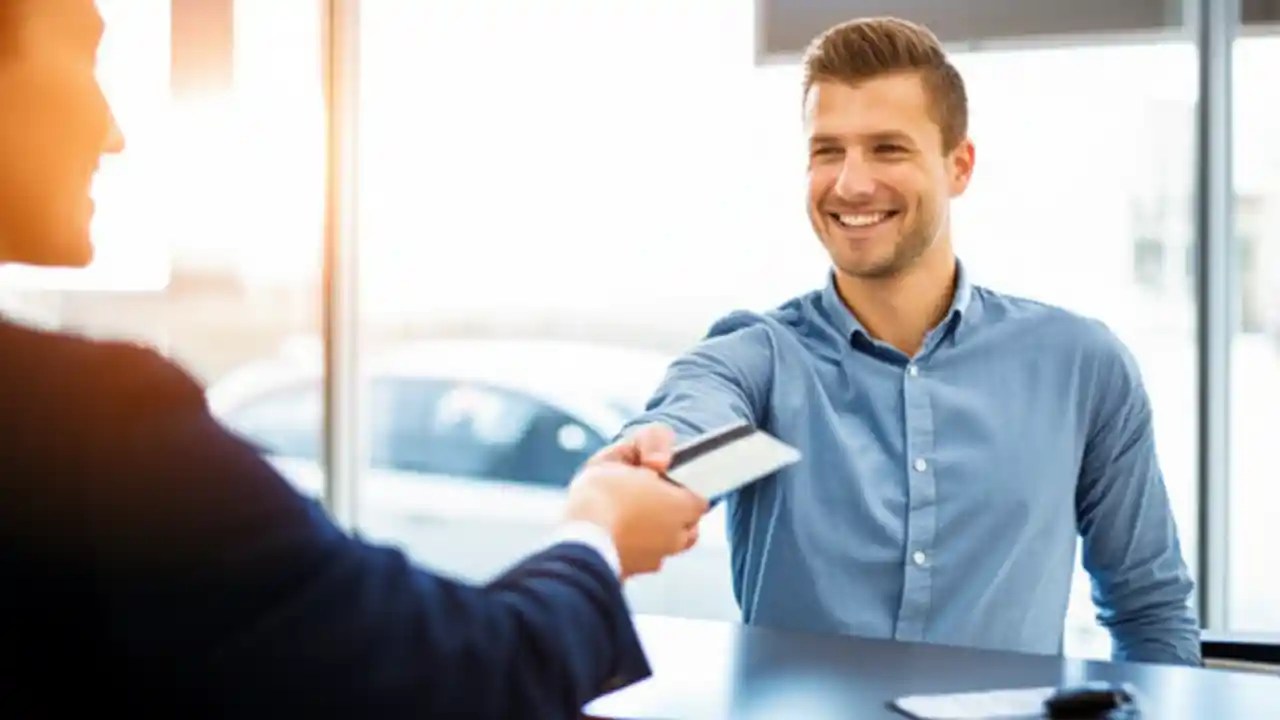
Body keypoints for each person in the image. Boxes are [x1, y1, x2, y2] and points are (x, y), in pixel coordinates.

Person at [0, 0, 709, 716]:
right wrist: (599, 533)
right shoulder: (83, 428)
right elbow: (462, 681)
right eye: (85, 57)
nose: (112, 133)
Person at [618, 16, 1201, 665]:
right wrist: (644, 479)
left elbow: (1149, 612)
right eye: (828, 151)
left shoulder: (1078, 370)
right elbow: (679, 451)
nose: (850, 183)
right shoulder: (764, 371)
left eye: (887, 149)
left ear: (959, 166)